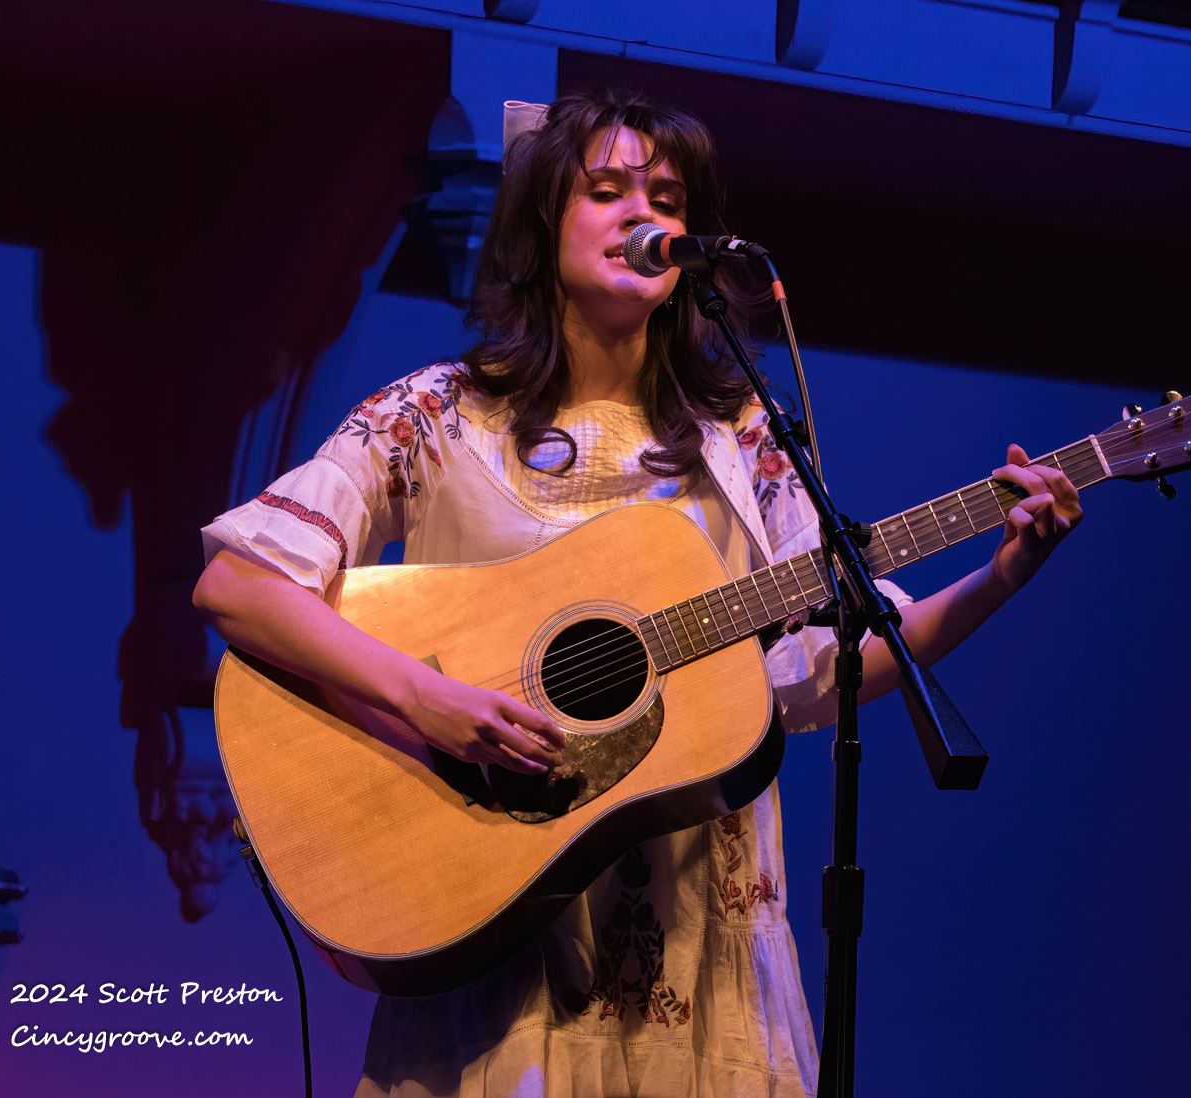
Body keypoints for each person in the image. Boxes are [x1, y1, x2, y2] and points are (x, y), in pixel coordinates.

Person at [193, 88, 1082, 1098]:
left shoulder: (740, 439)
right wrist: (423, 696)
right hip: (500, 912)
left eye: (666, 198)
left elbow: (821, 669)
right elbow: (240, 583)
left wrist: (1000, 577)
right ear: (543, 221)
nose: (644, 215)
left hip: (697, 938)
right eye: (607, 190)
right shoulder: (438, 415)